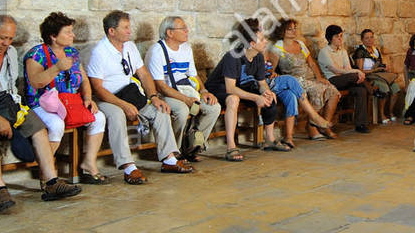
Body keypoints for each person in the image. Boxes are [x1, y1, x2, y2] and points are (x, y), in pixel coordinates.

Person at [0, 15, 82, 212]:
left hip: (4, 103)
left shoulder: (10, 53)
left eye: (10, 39)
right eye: (2, 38)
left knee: (38, 127)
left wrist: (18, 112)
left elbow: (10, 88)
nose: (6, 43)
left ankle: (51, 182)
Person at [86, 10, 188, 183]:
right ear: (112, 31)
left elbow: (143, 73)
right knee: (117, 115)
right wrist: (123, 105)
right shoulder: (99, 52)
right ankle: (128, 166)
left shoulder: (130, 47)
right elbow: (97, 88)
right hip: (108, 98)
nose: (129, 31)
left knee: (160, 110)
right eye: (125, 28)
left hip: (130, 94)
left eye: (129, 27)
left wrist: (154, 96)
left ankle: (169, 158)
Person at [23, 11, 109, 184]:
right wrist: (56, 68)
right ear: (53, 36)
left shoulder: (72, 52)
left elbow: (83, 78)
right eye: (68, 32)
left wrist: (88, 97)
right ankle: (46, 171)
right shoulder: (36, 54)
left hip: (70, 102)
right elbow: (35, 83)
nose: (73, 35)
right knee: (56, 124)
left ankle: (88, 164)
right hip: (43, 104)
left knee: (98, 117)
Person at [144, 16, 222, 163]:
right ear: (170, 33)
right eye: (183, 28)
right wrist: (186, 100)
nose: (187, 31)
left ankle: (193, 146)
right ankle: (175, 151)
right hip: (164, 93)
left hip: (186, 89)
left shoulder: (186, 48)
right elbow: (160, 85)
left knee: (214, 107)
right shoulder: (157, 51)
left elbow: (193, 75)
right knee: (182, 110)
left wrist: (204, 91)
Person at [204, 18, 283, 160]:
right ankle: (231, 147)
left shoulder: (258, 57)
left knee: (269, 98)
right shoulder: (232, 57)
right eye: (262, 39)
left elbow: (261, 82)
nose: (266, 41)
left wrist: (266, 92)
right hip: (219, 88)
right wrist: (255, 97)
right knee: (234, 99)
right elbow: (230, 88)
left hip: (239, 86)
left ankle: (269, 140)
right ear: (252, 44)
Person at [271, 18, 338, 140]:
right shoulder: (277, 48)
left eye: (294, 28)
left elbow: (311, 63)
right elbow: (272, 68)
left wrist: (319, 77)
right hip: (296, 80)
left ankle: (322, 125)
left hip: (310, 77)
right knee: (317, 90)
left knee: (333, 91)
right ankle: (312, 128)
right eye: (289, 29)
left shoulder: (301, 44)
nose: (293, 31)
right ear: (282, 32)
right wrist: (274, 74)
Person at [318, 25, 370, 133]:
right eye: (337, 37)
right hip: (332, 80)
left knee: (361, 90)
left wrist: (356, 72)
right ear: (330, 38)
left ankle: (361, 125)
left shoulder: (343, 51)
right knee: (355, 76)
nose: (340, 39)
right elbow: (336, 71)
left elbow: (348, 68)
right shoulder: (324, 52)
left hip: (346, 79)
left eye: (341, 36)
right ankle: (372, 90)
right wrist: (358, 72)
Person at [352, 29, 402, 123]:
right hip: (368, 76)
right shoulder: (360, 51)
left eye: (371, 37)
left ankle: (390, 112)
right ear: (362, 40)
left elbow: (379, 64)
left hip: (378, 75)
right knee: (383, 87)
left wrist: (384, 67)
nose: (370, 40)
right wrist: (375, 70)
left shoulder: (375, 50)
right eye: (367, 38)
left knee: (395, 88)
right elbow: (360, 70)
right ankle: (381, 114)